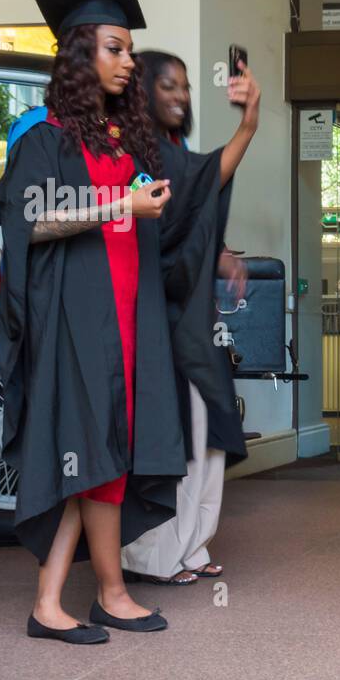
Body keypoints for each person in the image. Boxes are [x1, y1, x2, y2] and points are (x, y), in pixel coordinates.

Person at [0, 0, 233, 643]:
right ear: (80, 54)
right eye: (115, 47)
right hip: (77, 320)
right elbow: (33, 221)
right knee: (94, 454)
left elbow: (176, 209)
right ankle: (111, 591)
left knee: (100, 456)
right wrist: (120, 207)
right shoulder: (45, 140)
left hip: (129, 315)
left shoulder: (121, 141)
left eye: (128, 49)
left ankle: (50, 600)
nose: (129, 61)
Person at [115, 49, 261, 585]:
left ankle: (193, 546)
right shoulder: (137, 150)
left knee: (207, 428)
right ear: (143, 92)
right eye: (167, 86)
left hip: (189, 318)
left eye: (185, 87)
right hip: (154, 314)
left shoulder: (172, 149)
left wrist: (216, 252)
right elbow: (201, 185)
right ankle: (152, 556)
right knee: (172, 431)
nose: (180, 96)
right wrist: (249, 124)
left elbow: (197, 201)